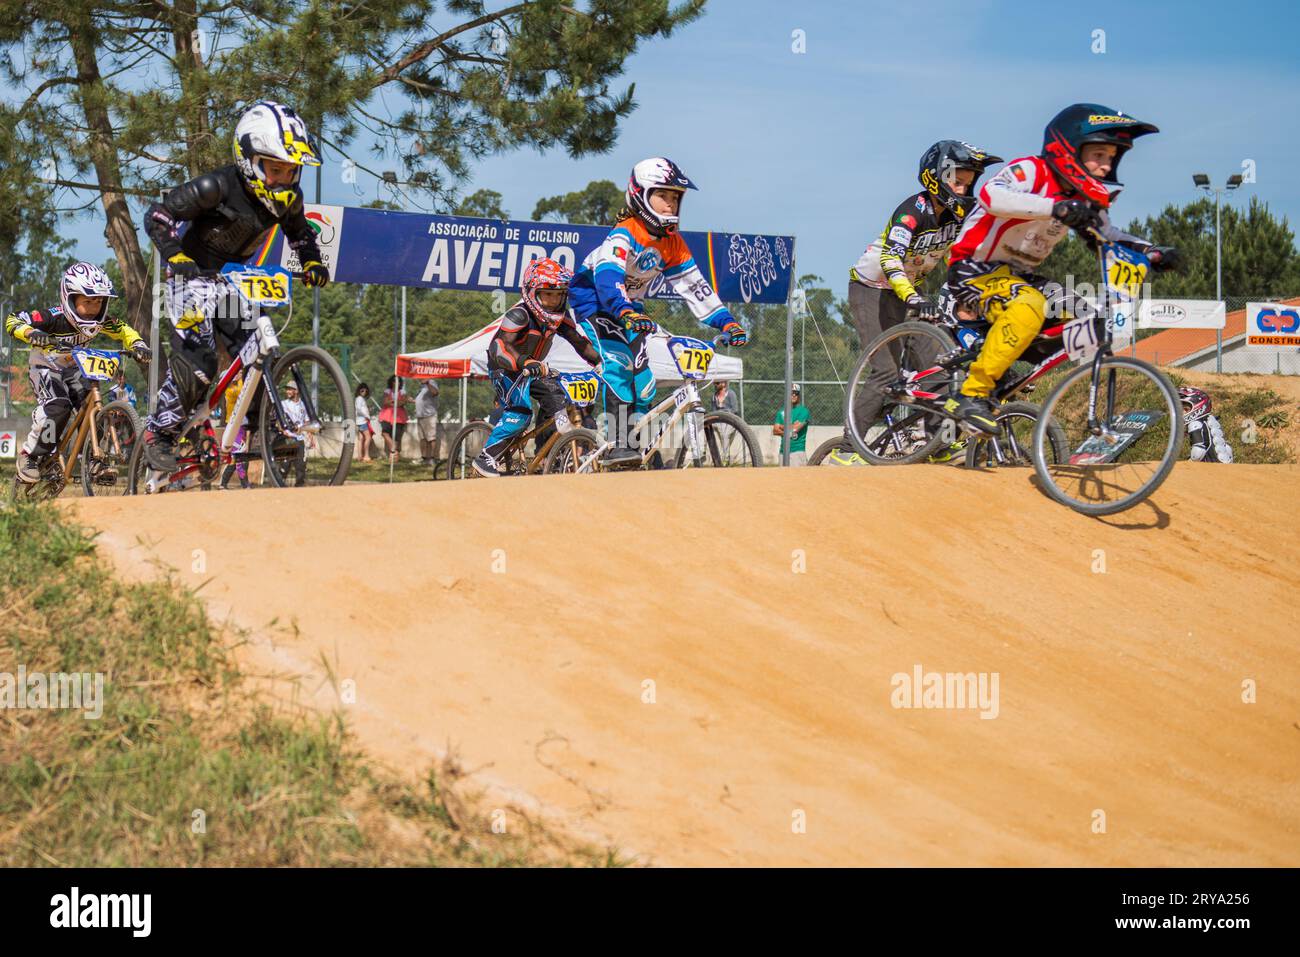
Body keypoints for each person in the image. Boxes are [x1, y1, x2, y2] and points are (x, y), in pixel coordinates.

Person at [943, 104, 1180, 434]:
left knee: (1088, 318)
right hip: (974, 269)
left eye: (1112, 157)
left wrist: (1151, 251)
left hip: (1021, 277)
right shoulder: (1032, 170)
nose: (1106, 165)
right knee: (1029, 307)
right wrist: (1055, 207)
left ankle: (1002, 370)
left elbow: (1108, 234)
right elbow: (990, 195)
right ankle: (971, 393)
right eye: (1098, 155)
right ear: (1069, 149)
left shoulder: (1085, 198)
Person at [140, 100, 329, 472]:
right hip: (190, 276)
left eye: (290, 171)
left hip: (232, 279)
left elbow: (300, 233)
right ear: (249, 161)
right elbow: (158, 215)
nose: (283, 179)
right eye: (275, 169)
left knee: (258, 349)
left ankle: (265, 429)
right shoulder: (216, 186)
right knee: (201, 361)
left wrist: (311, 261)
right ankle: (158, 433)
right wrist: (176, 255)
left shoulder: (288, 200)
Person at [832, 140, 1003, 467]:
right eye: (959, 181)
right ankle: (847, 449)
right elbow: (889, 258)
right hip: (872, 288)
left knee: (938, 364)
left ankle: (937, 444)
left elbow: (961, 259)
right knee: (886, 371)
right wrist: (911, 295)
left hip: (911, 293)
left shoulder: (955, 218)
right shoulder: (912, 211)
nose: (964, 189)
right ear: (937, 178)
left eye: (968, 183)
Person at [569, 157, 748, 465]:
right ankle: (618, 445)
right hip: (595, 302)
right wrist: (623, 309)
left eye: (675, 197)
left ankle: (637, 447)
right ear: (640, 195)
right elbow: (607, 278)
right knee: (619, 365)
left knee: (645, 382)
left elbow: (695, 287)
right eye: (662, 195)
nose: (670, 203)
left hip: (630, 308)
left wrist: (726, 322)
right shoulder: (624, 233)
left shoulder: (672, 243)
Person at [4, 262, 150, 484]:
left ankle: (93, 460)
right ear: (70, 298)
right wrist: (31, 333)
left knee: (92, 404)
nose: (93, 308)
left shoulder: (101, 322)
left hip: (75, 368)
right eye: (87, 301)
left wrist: (138, 345)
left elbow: (124, 330)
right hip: (45, 367)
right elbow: (13, 320)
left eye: (98, 302)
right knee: (58, 407)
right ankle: (30, 456)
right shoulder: (52, 317)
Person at [472, 257, 601, 478]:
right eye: (547, 294)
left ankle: (545, 455)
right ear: (532, 293)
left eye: (559, 295)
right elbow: (499, 347)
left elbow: (580, 343)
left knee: (558, 400)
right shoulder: (519, 314)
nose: (553, 300)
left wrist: (601, 362)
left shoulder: (560, 319)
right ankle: (486, 458)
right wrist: (525, 362)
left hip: (534, 369)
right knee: (521, 413)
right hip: (506, 369)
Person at [1180, 387, 1233, 463]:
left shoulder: (1195, 424)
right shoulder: (1209, 420)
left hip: (1210, 466)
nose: (1182, 413)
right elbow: (1227, 448)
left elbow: (1198, 451)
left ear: (1198, 408)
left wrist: (1188, 463)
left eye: (1186, 409)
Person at [773, 383, 811, 466]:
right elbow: (775, 431)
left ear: (799, 396)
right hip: (783, 452)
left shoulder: (804, 411)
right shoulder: (781, 412)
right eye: (791, 393)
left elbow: (795, 429)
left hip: (797, 452)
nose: (793, 395)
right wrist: (790, 429)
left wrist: (781, 426)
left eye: (796, 393)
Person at [379, 375, 409, 462]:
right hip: (387, 415)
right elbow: (385, 402)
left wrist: (392, 401)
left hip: (399, 416)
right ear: (391, 382)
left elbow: (403, 402)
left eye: (398, 381)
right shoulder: (387, 391)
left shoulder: (402, 391)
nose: (396, 383)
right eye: (394, 381)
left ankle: (393, 456)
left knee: (396, 436)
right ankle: (394, 451)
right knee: (385, 432)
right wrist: (397, 402)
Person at [415, 379, 441, 465]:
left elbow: (435, 392)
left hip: (429, 416)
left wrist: (427, 383)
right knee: (422, 438)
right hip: (420, 416)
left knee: (431, 438)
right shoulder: (421, 387)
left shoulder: (431, 382)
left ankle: (433, 458)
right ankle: (424, 458)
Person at [354, 382, 375, 462]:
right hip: (363, 421)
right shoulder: (359, 398)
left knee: (361, 438)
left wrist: (368, 410)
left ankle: (360, 456)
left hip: (360, 421)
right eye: (362, 390)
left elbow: (360, 409)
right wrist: (366, 415)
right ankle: (366, 456)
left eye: (366, 391)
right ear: (359, 390)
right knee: (368, 437)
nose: (364, 392)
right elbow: (359, 410)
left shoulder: (359, 399)